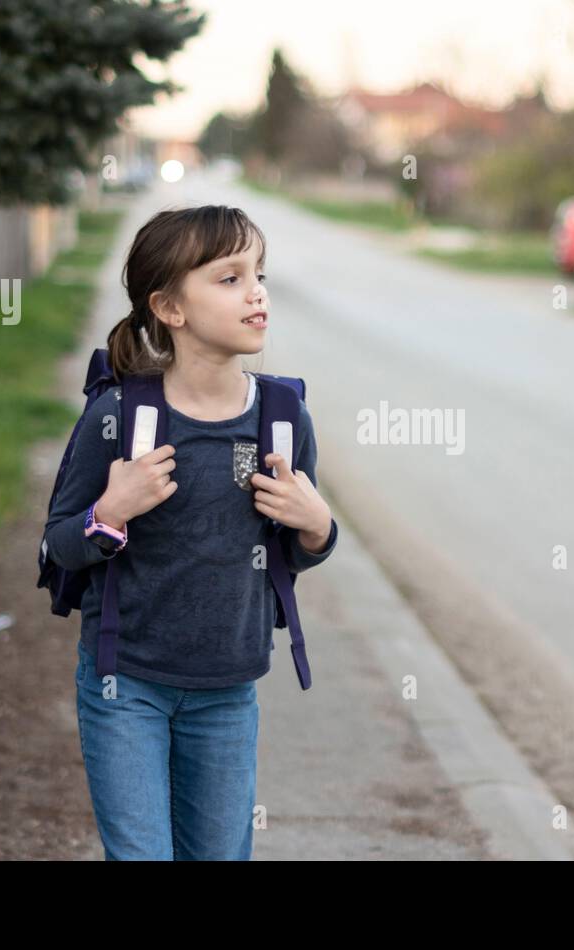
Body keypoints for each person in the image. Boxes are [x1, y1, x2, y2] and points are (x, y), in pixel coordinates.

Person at [42, 206, 339, 860]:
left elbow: (293, 547)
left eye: (258, 273)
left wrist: (320, 527)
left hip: (229, 692)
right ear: (170, 307)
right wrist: (108, 514)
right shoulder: (120, 416)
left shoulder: (282, 418)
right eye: (229, 278)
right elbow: (56, 545)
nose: (256, 291)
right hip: (126, 686)